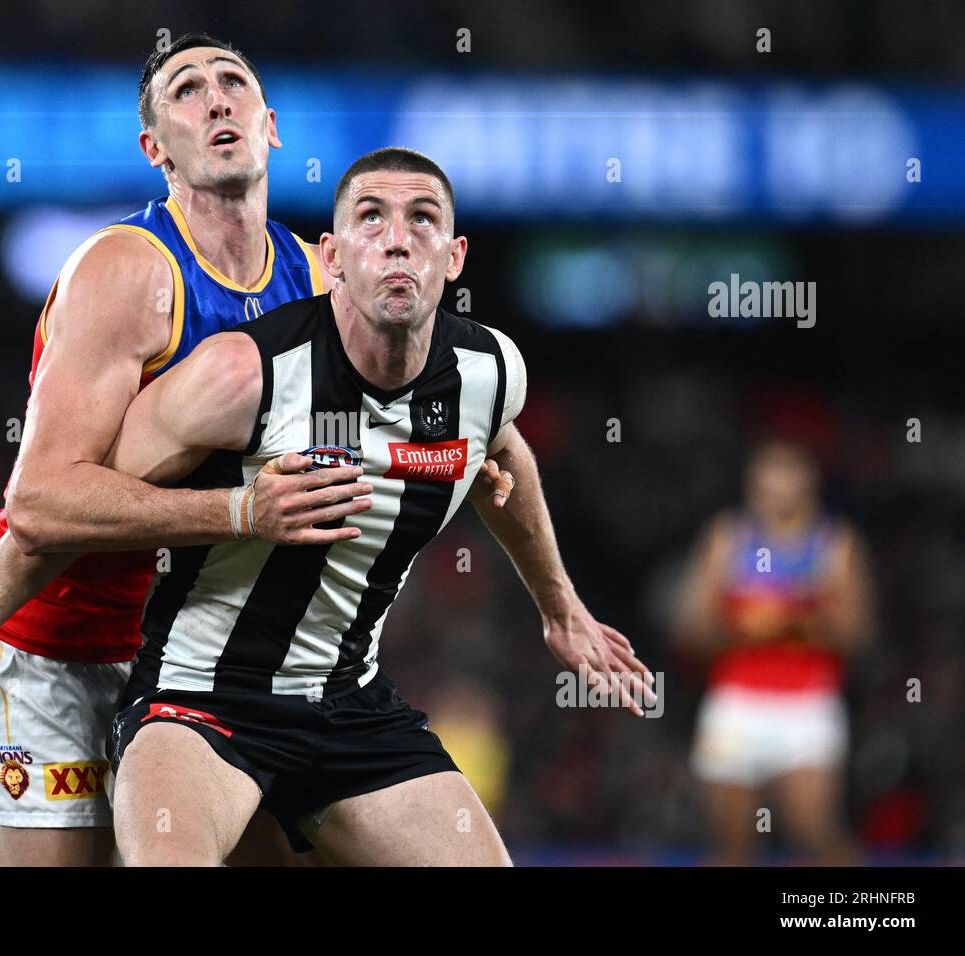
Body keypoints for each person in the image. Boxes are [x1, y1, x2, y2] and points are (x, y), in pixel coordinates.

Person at [0, 35, 512, 866]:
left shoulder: (319, 278)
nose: (216, 99)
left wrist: (440, 456)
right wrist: (240, 513)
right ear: (156, 149)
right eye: (186, 89)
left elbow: (364, 419)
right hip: (51, 642)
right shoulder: (123, 273)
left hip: (200, 659)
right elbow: (37, 506)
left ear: (270, 125)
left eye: (233, 83)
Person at [99, 147, 654, 865]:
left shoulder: (488, 373)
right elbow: (85, 497)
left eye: (422, 219)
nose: (398, 237)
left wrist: (560, 608)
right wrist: (238, 512)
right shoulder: (244, 373)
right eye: (371, 218)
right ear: (332, 256)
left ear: (454, 258)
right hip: (198, 702)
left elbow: (507, 452)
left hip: (347, 709)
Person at [675, 438, 875, 865]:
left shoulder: (834, 545)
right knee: (731, 842)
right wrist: (742, 628)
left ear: (809, 481)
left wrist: (795, 621)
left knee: (814, 830)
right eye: (769, 471)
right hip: (738, 701)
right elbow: (690, 629)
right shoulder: (726, 539)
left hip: (807, 702)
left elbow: (858, 634)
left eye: (788, 471)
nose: (777, 484)